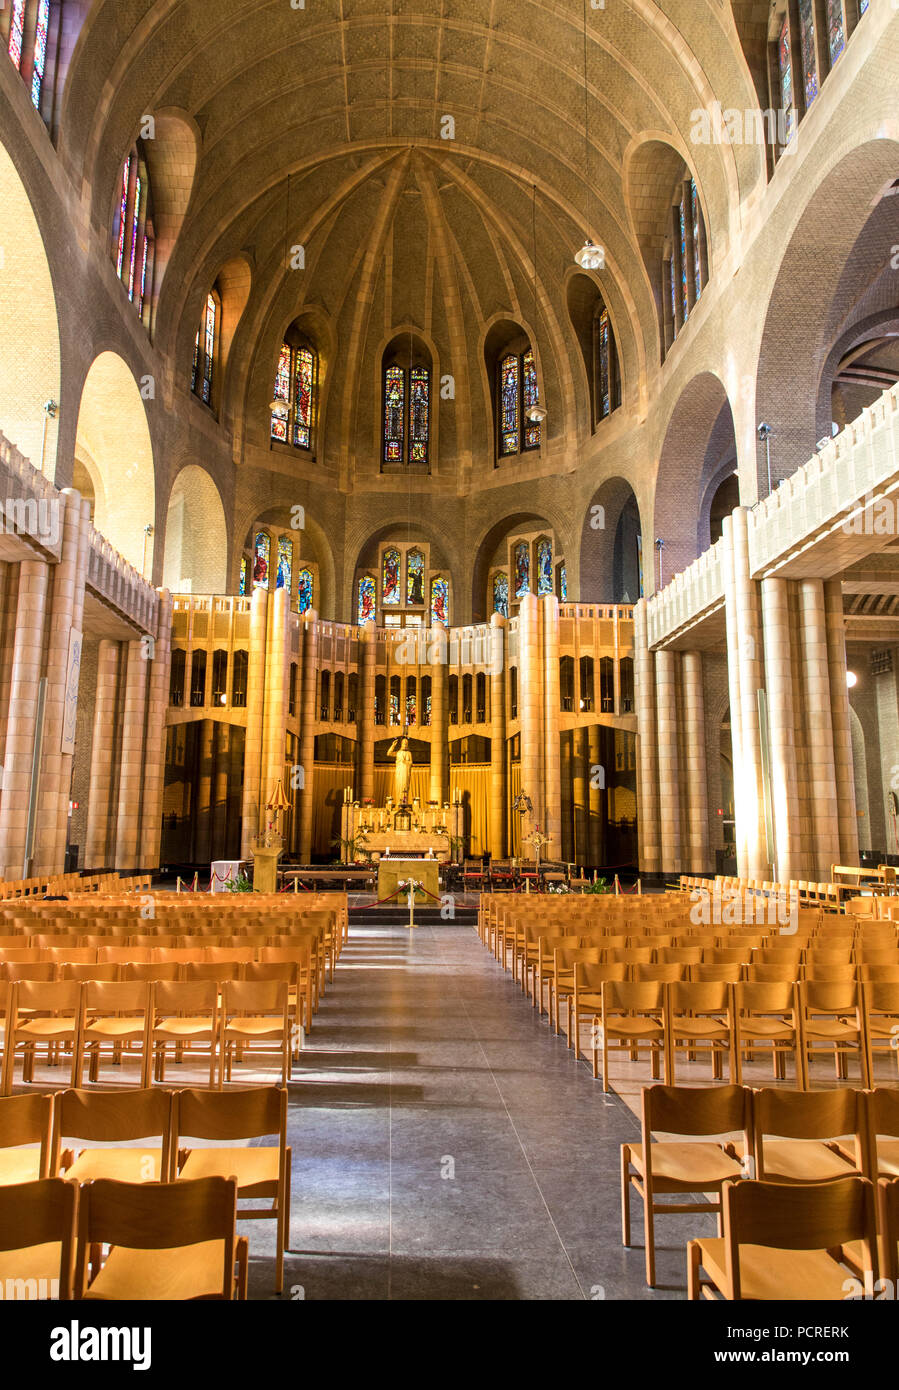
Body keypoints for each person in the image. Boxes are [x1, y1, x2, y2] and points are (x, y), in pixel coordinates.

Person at [388, 735, 413, 804]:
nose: (405, 745)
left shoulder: (409, 753)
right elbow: (389, 753)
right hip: (399, 772)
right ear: (401, 744)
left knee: (405, 787)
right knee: (399, 787)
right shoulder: (398, 753)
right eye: (403, 743)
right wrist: (393, 746)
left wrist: (406, 762)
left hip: (406, 773)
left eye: (406, 744)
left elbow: (411, 763)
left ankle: (405, 802)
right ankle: (399, 802)